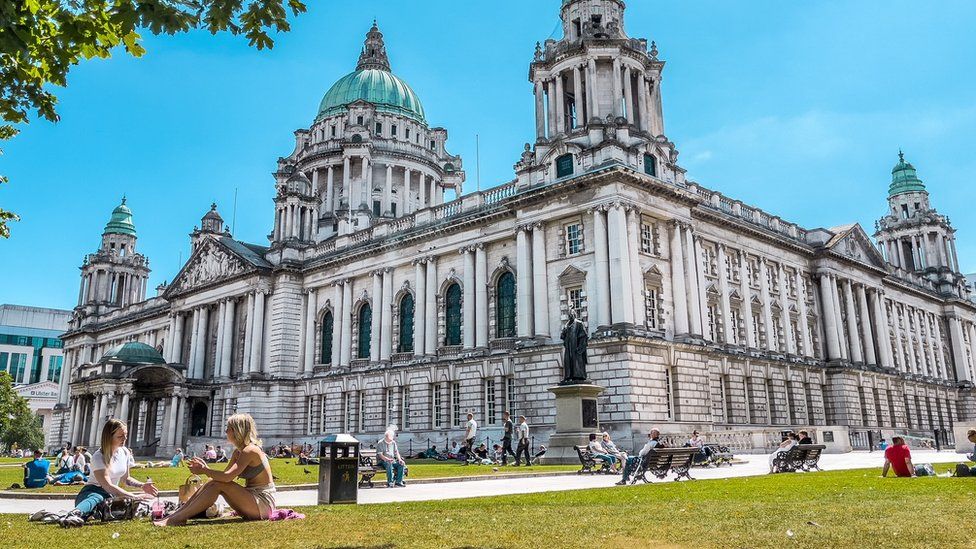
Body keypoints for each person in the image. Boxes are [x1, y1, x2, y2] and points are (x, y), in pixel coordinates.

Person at [154, 413, 276, 526]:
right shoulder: (238, 452)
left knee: (217, 484)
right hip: (252, 499)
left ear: (237, 431)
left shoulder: (250, 450)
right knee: (213, 482)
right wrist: (206, 469)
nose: (225, 431)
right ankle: (176, 515)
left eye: (228, 428)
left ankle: (178, 518)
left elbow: (227, 477)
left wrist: (204, 470)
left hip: (263, 503)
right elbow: (223, 476)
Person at [59, 419, 158, 527]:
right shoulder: (98, 457)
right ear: (109, 437)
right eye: (120, 436)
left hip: (110, 495)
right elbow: (107, 486)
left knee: (128, 506)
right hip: (91, 493)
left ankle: (82, 515)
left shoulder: (125, 452)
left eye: (125, 435)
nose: (124, 439)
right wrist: (134, 497)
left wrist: (142, 485)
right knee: (99, 498)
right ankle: (75, 513)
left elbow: (126, 479)